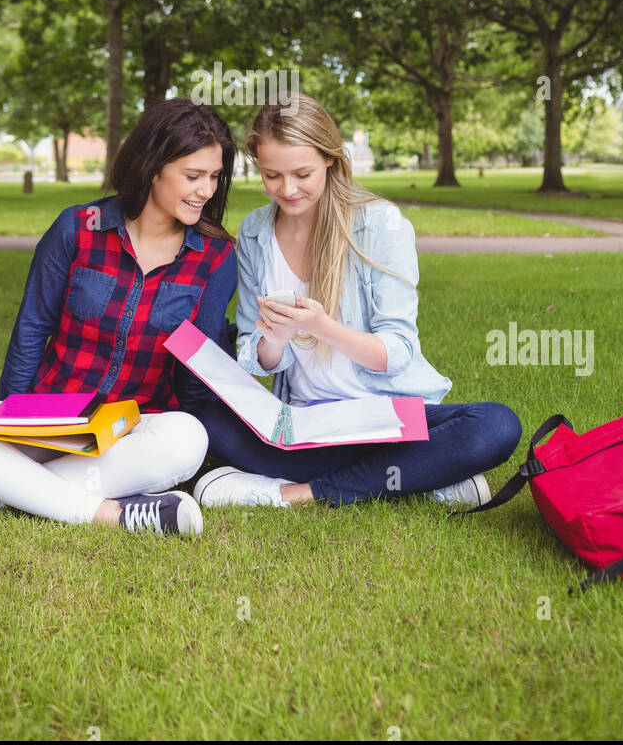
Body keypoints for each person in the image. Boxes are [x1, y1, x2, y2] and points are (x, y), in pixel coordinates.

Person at [0, 99, 238, 536]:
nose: (206, 190)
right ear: (153, 166)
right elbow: (32, 329)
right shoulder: (77, 227)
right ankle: (112, 513)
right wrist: (11, 424)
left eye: (214, 176)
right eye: (193, 176)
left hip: (131, 430)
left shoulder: (216, 255)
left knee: (190, 437)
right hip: (49, 414)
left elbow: (196, 367)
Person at [177, 95, 522, 509]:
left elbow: (395, 353)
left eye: (302, 173)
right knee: (205, 419)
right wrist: (277, 338)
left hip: (383, 415)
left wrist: (321, 326)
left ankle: (298, 492)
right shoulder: (254, 232)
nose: (287, 190)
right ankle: (422, 476)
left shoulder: (379, 224)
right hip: (306, 421)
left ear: (330, 159)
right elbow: (255, 359)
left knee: (496, 426)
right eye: (272, 175)